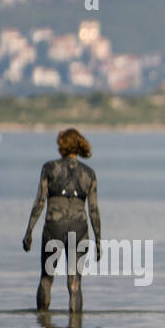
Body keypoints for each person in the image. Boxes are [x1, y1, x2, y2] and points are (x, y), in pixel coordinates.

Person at [23, 128, 101, 312]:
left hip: (54, 228)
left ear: (62, 145)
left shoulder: (49, 168)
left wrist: (29, 231)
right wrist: (99, 240)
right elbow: (94, 210)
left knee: (46, 278)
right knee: (75, 284)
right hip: (79, 228)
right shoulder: (89, 173)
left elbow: (40, 202)